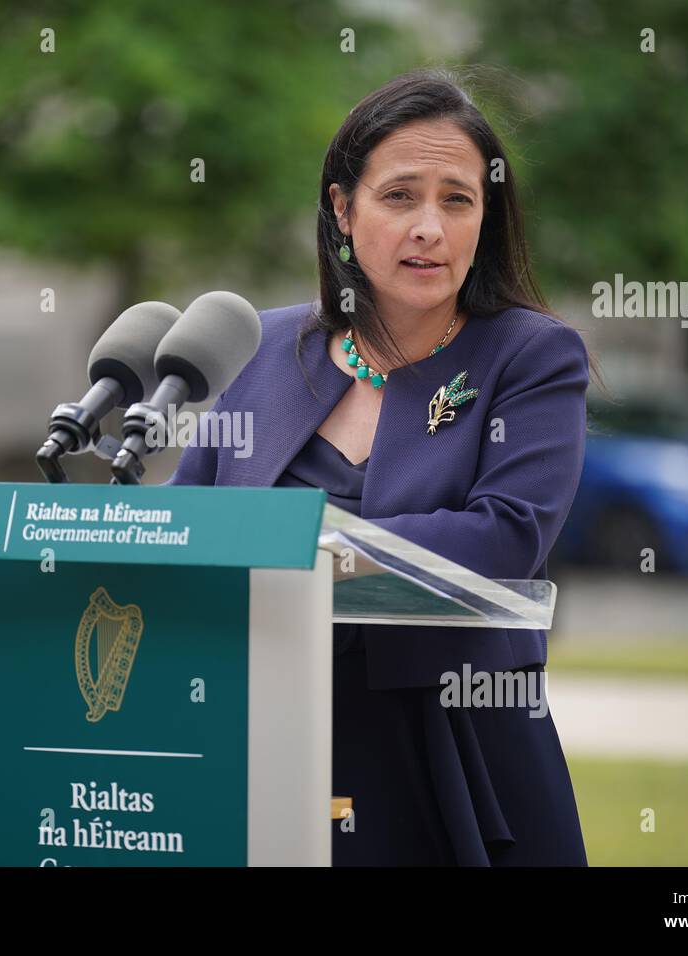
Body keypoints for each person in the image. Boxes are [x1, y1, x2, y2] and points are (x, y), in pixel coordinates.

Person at [165, 68, 594, 865]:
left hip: (451, 750)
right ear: (341, 208)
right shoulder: (256, 349)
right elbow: (185, 525)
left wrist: (283, 550)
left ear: (484, 219)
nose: (428, 226)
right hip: (259, 734)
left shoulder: (530, 357)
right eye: (400, 196)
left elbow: (504, 539)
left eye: (457, 199)